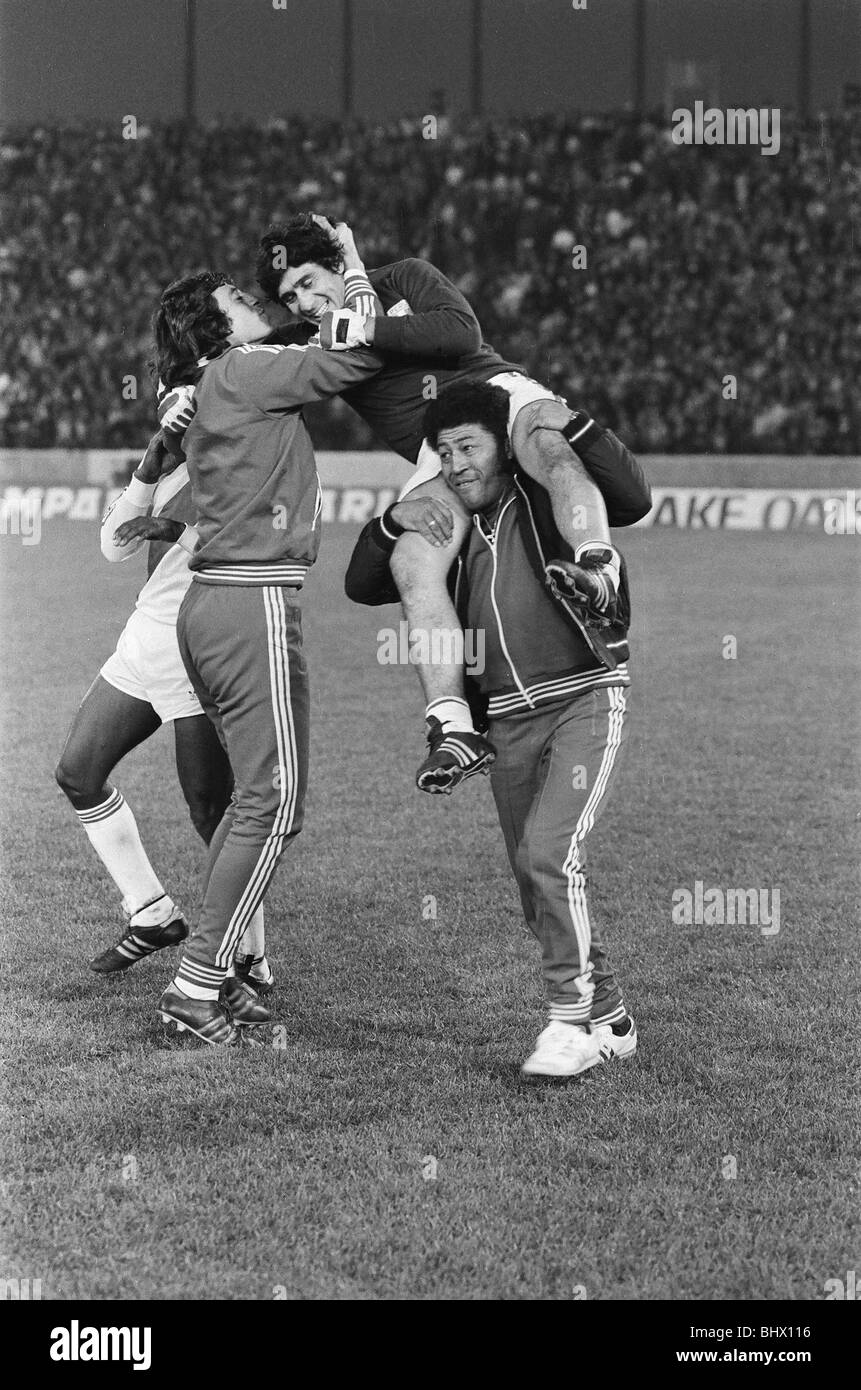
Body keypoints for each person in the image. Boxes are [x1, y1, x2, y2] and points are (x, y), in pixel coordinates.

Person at [253, 216, 630, 794]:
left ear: (334, 264)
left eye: (308, 281)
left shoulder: (403, 278)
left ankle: (600, 570)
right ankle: (452, 726)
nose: (303, 302)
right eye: (290, 297)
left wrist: (360, 323)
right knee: (412, 558)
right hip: (440, 452)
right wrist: (184, 382)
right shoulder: (313, 338)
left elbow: (459, 333)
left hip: (500, 397)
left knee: (552, 448)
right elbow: (242, 357)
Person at [345, 381, 649, 1077]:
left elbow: (629, 499)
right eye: (444, 453)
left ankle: (567, 1025)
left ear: (502, 450)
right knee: (531, 881)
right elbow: (362, 584)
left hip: (584, 695)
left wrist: (571, 427)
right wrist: (397, 519)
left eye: (469, 447)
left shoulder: (541, 498)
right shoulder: (444, 526)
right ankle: (608, 1014)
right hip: (507, 716)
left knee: (548, 856)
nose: (456, 464)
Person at [152, 271, 382, 1047]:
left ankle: (224, 971)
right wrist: (350, 269)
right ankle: (198, 983)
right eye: (236, 302)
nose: (255, 304)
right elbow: (354, 356)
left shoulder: (218, 377)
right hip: (250, 603)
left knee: (258, 798)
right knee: (272, 802)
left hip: (214, 603)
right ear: (214, 332)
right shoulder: (245, 369)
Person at [54, 430, 270, 1006]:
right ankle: (151, 912)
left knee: (210, 810)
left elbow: (252, 549)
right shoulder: (173, 465)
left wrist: (173, 529)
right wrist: (148, 468)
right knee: (77, 772)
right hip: (144, 637)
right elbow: (112, 546)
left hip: (199, 643)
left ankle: (248, 956)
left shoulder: (244, 455)